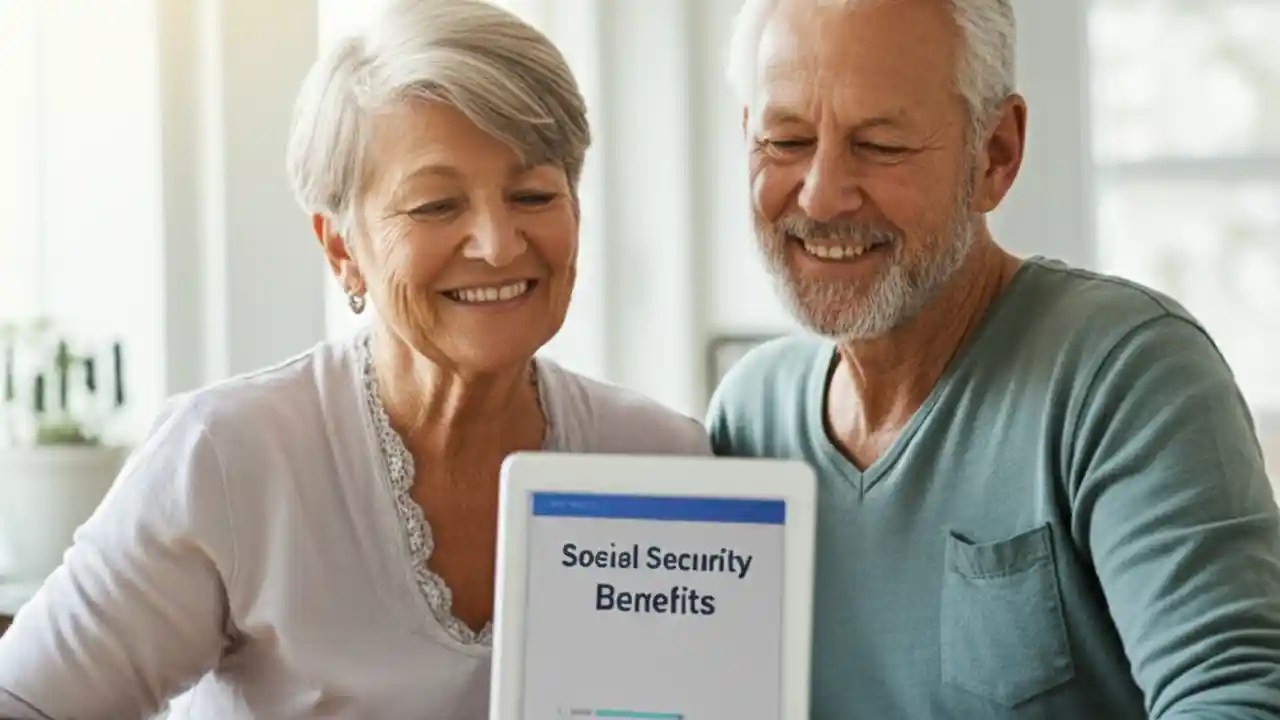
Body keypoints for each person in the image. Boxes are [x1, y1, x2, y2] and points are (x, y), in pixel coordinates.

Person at [0, 1, 709, 717]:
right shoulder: (227, 458)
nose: (498, 243)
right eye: (435, 206)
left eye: (533, 194)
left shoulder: (663, 461)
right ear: (341, 248)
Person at [707, 0, 1280, 716]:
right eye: (785, 140)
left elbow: (1236, 698)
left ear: (995, 154)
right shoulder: (748, 418)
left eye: (881, 146)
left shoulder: (1124, 372)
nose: (822, 195)